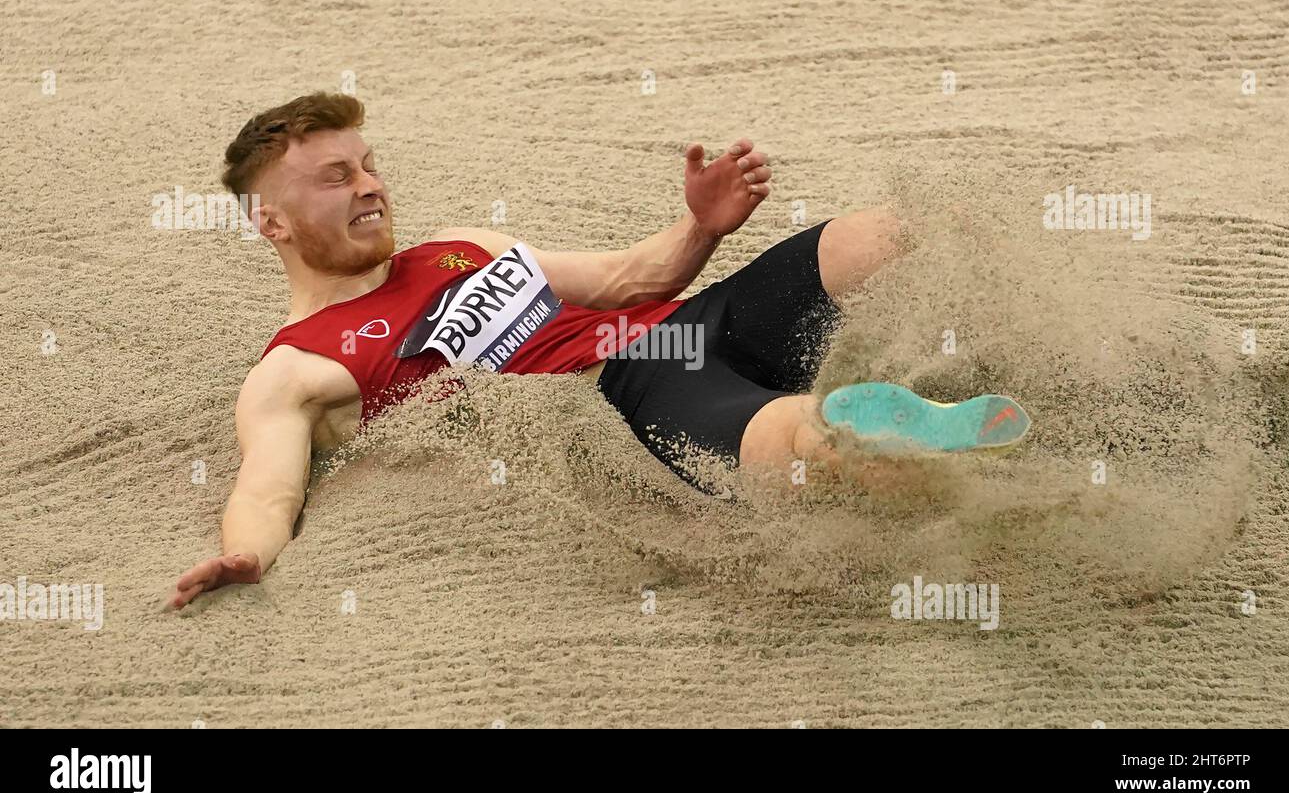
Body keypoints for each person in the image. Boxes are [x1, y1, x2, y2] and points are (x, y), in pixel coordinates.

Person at [169, 92, 1027, 610]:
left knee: (875, 236)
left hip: (690, 321)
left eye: (367, 164)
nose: (369, 185)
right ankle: (887, 429)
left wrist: (701, 223)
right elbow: (268, 486)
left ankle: (1031, 340)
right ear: (270, 222)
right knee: (795, 438)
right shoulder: (293, 369)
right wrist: (245, 553)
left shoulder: (458, 244)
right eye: (335, 177)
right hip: (627, 390)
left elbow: (626, 279)